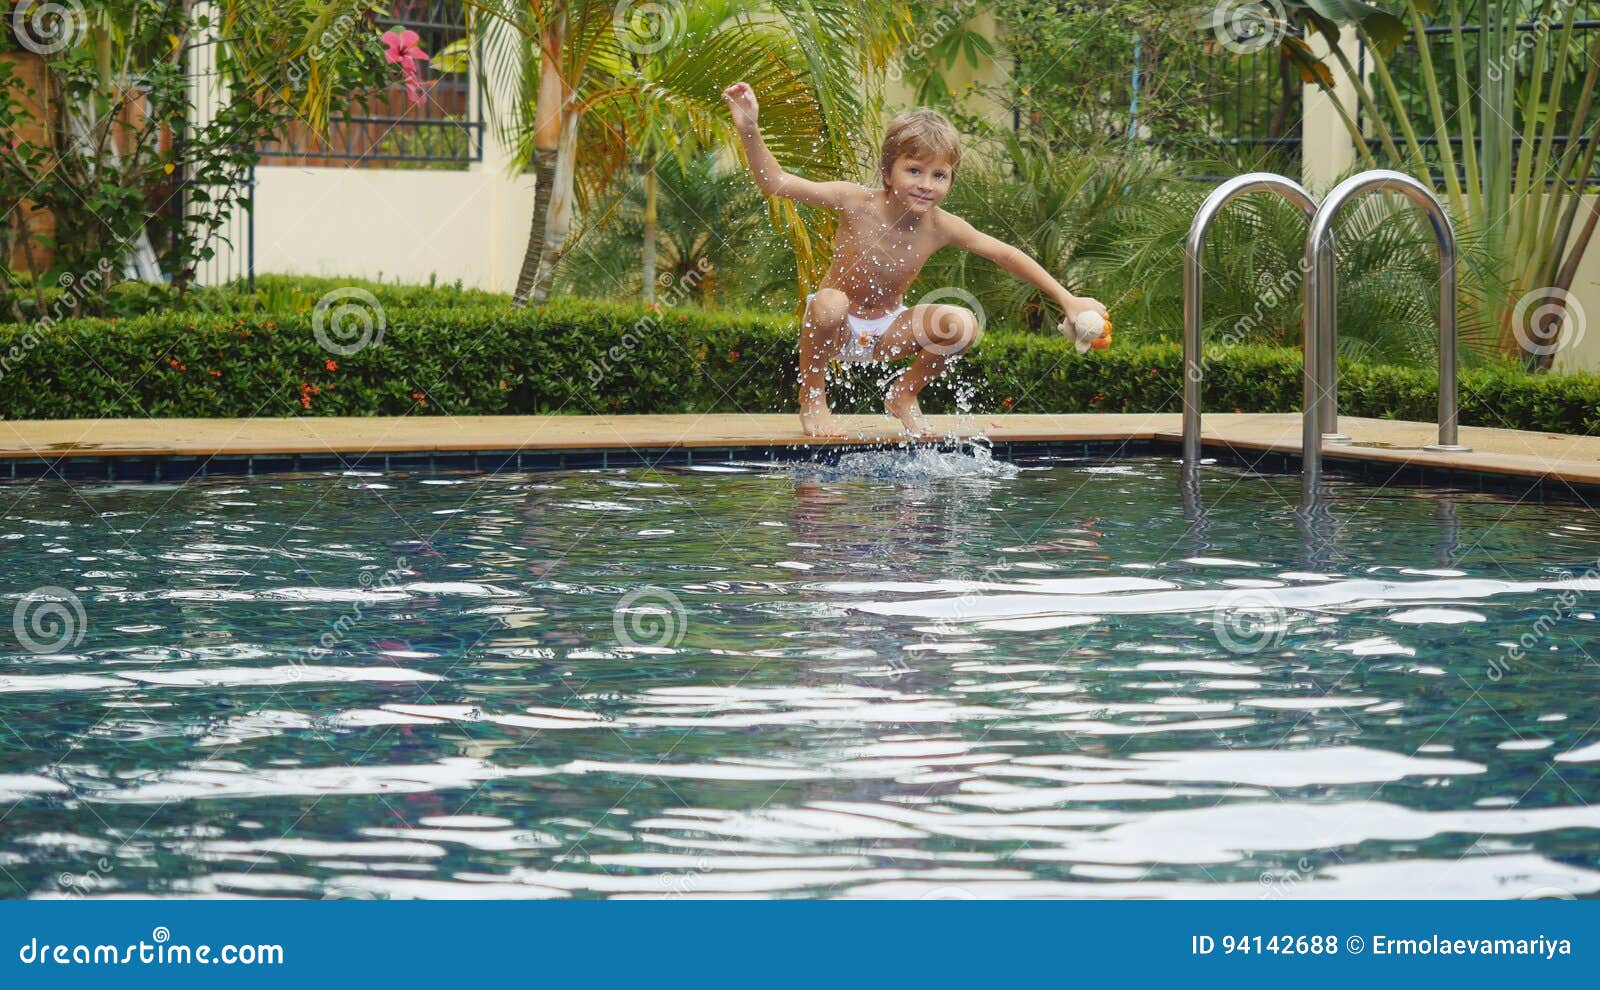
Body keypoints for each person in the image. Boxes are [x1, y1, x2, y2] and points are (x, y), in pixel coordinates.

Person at [721, 82, 1110, 438]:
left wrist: (1068, 300)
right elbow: (775, 182)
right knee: (830, 302)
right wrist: (750, 129)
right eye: (914, 170)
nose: (926, 184)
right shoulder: (854, 201)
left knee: (962, 324)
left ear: (951, 181)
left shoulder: (942, 226)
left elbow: (1007, 255)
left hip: (889, 330)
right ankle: (813, 395)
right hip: (834, 326)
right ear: (888, 172)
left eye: (939, 175)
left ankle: (903, 394)